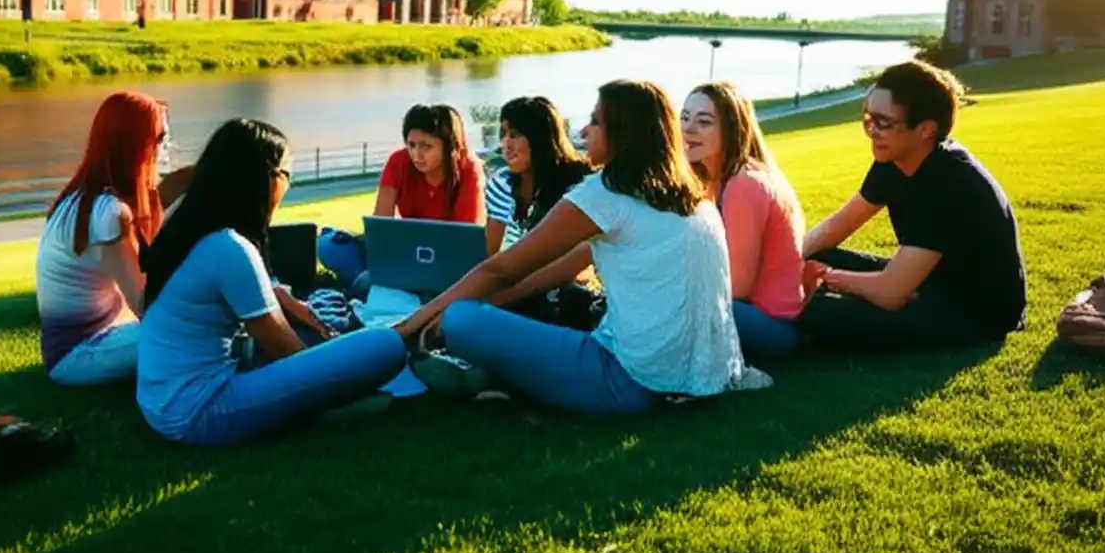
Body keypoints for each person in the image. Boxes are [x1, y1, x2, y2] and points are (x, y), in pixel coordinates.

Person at [395, 80, 769, 416]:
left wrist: (411, 325)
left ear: (622, 134)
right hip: (703, 376)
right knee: (491, 317)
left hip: (628, 381)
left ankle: (488, 376)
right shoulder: (691, 195)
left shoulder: (606, 192)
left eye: (595, 122)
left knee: (462, 319)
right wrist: (494, 305)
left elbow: (502, 268)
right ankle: (491, 375)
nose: (583, 131)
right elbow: (552, 271)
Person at [136, 119, 405, 446]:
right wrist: (334, 372)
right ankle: (325, 411)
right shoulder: (230, 248)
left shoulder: (189, 227)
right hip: (199, 411)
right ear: (266, 178)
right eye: (286, 176)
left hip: (161, 401)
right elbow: (285, 350)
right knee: (384, 345)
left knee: (322, 339)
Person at [798, 60, 1027, 349]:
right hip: (929, 281)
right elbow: (836, 226)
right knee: (820, 253)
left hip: (973, 311)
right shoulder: (893, 158)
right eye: (868, 119)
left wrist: (825, 277)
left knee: (813, 313)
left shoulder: (949, 184)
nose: (872, 131)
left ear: (925, 130)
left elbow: (890, 293)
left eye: (884, 122)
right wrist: (788, 260)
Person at [36, 91, 168, 386]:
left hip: (93, 340)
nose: (164, 149)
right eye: (158, 139)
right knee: (194, 333)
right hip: (81, 352)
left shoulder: (81, 198)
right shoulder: (107, 212)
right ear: (134, 145)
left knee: (194, 325)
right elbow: (144, 305)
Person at [682, 82, 806, 359]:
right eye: (684, 117)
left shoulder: (744, 184)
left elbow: (738, 285)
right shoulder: (710, 180)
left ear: (731, 129)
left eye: (704, 122)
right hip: (742, 313)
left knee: (670, 302)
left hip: (770, 325)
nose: (688, 129)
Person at [318, 103, 485, 293]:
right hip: (405, 254)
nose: (416, 155)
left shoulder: (469, 169)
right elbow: (381, 225)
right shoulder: (399, 161)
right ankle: (378, 283)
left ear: (450, 146)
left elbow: (466, 240)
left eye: (426, 146)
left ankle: (372, 285)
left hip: (447, 263)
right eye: (411, 145)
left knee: (370, 281)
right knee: (328, 245)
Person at [484, 96, 594, 255]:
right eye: (503, 134)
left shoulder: (578, 187)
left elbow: (577, 263)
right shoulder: (501, 183)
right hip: (512, 275)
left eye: (514, 135)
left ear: (539, 139)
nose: (506, 144)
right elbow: (492, 255)